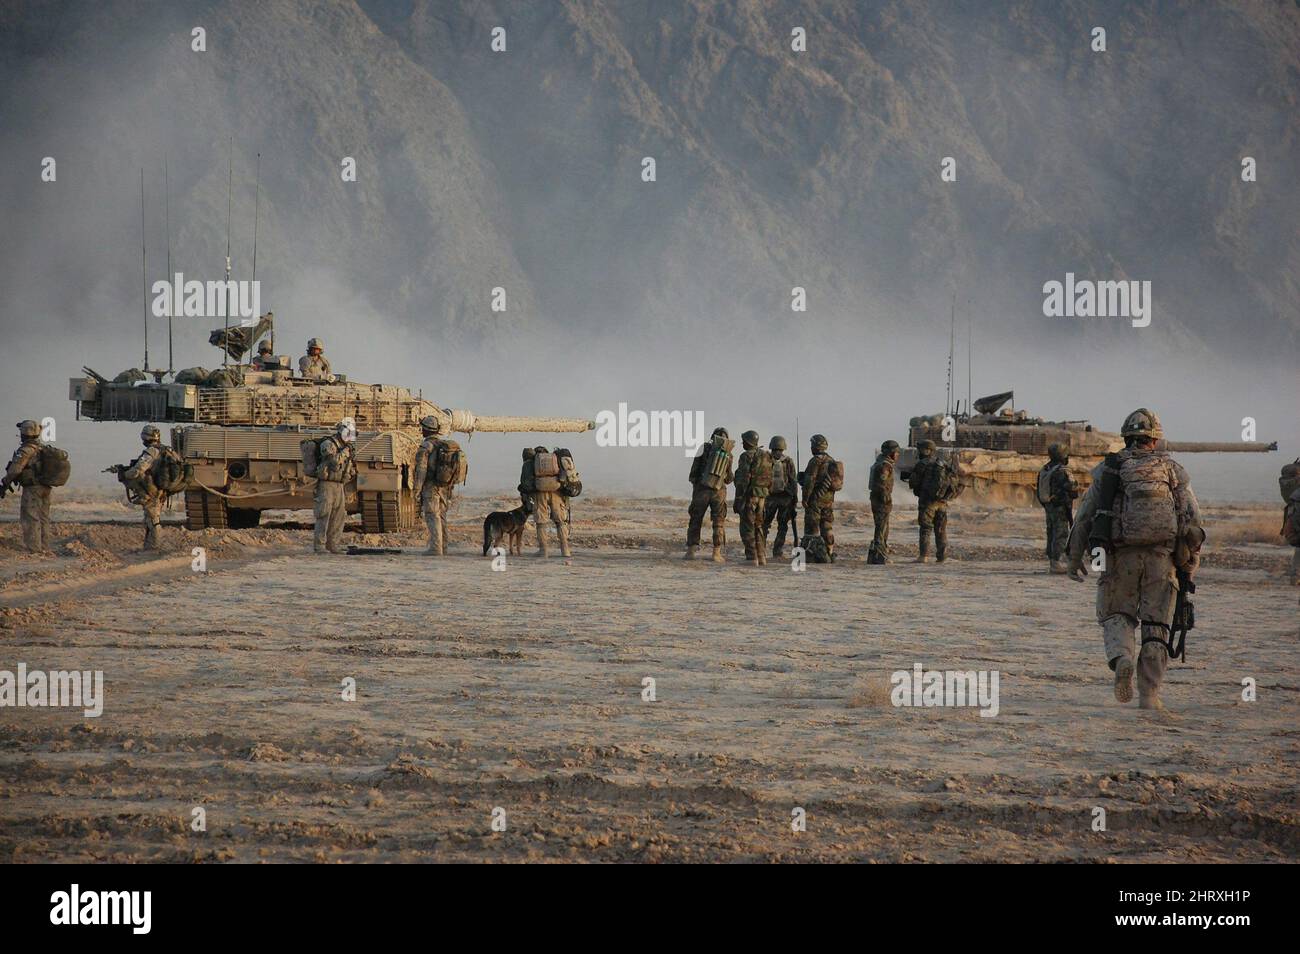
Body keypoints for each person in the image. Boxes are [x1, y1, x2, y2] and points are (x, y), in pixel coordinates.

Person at [1067, 408, 1204, 711]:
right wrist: (1190, 565)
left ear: (1126, 438)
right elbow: (1192, 521)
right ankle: (1150, 697)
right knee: (1157, 626)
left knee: (1117, 615)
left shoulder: (1110, 469)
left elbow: (1086, 515)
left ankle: (1122, 659)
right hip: (1162, 558)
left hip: (1119, 557)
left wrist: (1074, 556)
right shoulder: (1172, 470)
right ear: (1154, 440)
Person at [3, 420, 53, 554]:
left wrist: (5, 481)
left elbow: (14, 470)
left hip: (32, 488)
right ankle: (44, 547)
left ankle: (34, 548)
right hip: (45, 487)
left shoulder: (26, 450)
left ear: (24, 433)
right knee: (43, 517)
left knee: (30, 517)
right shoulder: (43, 448)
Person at [685, 427, 733, 563]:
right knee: (718, 522)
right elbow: (729, 478)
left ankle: (691, 551)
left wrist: (697, 487)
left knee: (696, 519)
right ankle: (716, 553)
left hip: (702, 490)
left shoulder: (703, 448)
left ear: (713, 437)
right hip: (719, 491)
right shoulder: (728, 454)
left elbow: (694, 472)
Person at [412, 415, 457, 555]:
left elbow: (421, 469)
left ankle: (435, 548)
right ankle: (443, 546)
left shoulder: (426, 447)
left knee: (432, 515)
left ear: (425, 430)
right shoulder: (443, 446)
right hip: (445, 486)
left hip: (431, 486)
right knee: (442, 516)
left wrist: (417, 489)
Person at [119, 425, 166, 551]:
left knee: (153, 519)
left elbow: (139, 469)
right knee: (151, 518)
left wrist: (125, 474)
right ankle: (151, 545)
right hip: (159, 489)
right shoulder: (165, 449)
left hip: (151, 489)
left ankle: (155, 547)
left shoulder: (152, 451)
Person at [313, 421, 355, 553]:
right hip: (327, 484)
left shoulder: (346, 447)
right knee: (324, 514)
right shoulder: (328, 444)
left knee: (339, 516)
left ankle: (333, 545)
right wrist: (345, 452)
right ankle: (320, 545)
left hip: (339, 485)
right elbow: (334, 462)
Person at [523, 445, 571, 558]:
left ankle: (543, 551)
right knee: (560, 521)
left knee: (541, 522)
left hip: (539, 493)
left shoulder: (533, 463)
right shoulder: (555, 461)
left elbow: (526, 483)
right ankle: (565, 550)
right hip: (556, 491)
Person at [733, 430, 773, 566]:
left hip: (749, 496)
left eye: (744, 441)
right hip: (762, 497)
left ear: (748, 442)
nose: (742, 443)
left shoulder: (745, 456)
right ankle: (761, 556)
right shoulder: (767, 456)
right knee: (759, 527)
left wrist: (738, 499)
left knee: (747, 527)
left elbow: (743, 480)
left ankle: (751, 557)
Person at [907, 439, 950, 563]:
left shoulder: (922, 464)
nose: (919, 452)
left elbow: (913, 482)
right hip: (942, 502)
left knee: (926, 528)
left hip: (927, 502)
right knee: (941, 529)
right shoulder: (942, 463)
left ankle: (923, 556)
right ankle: (942, 557)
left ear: (927, 450)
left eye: (920, 449)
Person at [1038, 443, 1079, 574]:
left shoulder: (1045, 469)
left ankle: (1053, 561)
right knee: (1061, 534)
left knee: (1051, 533)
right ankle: (1056, 563)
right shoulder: (1063, 470)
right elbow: (1073, 489)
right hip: (1060, 507)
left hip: (1049, 506)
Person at [800, 434, 840, 562]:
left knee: (812, 528)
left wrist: (805, 498)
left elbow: (809, 481)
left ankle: (813, 555)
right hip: (828, 500)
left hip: (815, 500)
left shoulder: (815, 461)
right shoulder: (832, 460)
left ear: (815, 446)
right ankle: (829, 552)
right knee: (827, 526)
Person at [763, 436, 798, 559]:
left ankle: (763, 550)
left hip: (772, 497)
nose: (778, 452)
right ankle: (777, 552)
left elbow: (793, 480)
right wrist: (795, 497)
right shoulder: (788, 461)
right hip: (782, 498)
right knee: (779, 525)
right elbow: (793, 480)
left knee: (766, 524)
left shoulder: (766, 460)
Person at [868, 440, 899, 564]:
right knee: (882, 526)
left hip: (877, 498)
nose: (898, 455)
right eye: (896, 453)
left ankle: (880, 552)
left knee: (882, 525)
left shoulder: (880, 462)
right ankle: (879, 554)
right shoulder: (885, 465)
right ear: (890, 453)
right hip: (881, 499)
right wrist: (886, 499)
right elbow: (882, 484)